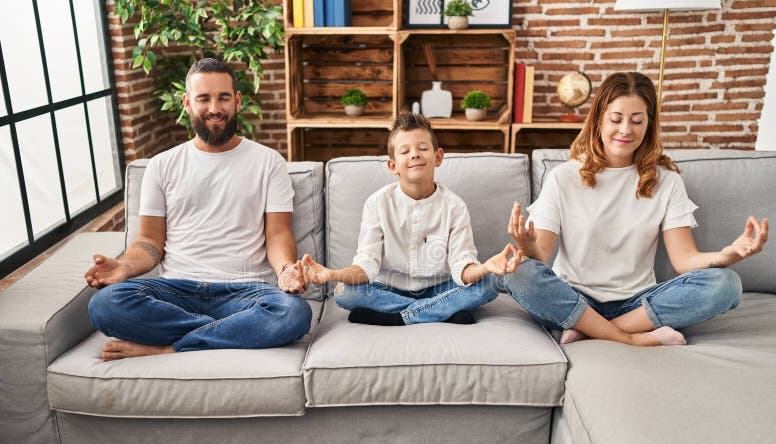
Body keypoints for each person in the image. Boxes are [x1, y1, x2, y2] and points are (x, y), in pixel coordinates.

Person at [503, 71, 768, 346]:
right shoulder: (563, 177)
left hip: (638, 304)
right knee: (517, 272)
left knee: (726, 285)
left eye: (637, 120)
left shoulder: (667, 181)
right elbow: (540, 257)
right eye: (616, 119)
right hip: (573, 298)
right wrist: (525, 245)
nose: (625, 130)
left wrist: (728, 255)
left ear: (649, 124)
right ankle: (631, 338)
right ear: (598, 120)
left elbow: (684, 259)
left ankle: (591, 330)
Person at [85, 58, 312, 360]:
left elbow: (278, 233)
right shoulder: (162, 165)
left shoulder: (268, 162)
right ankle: (232, 333)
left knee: (293, 312)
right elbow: (150, 242)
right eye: (203, 98)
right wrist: (125, 267)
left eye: (223, 97)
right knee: (105, 304)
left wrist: (285, 270)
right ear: (187, 103)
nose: (214, 108)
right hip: (177, 291)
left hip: (244, 291)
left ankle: (169, 347)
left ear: (238, 101)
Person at [301, 112, 520, 326]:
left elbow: (461, 266)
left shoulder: (455, 206)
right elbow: (366, 265)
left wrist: (485, 268)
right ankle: (441, 311)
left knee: (488, 285)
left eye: (423, 148)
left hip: (441, 287)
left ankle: (399, 317)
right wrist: (331, 273)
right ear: (393, 166)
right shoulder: (377, 203)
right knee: (344, 292)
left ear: (438, 157)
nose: (415, 154)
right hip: (389, 289)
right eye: (405, 151)